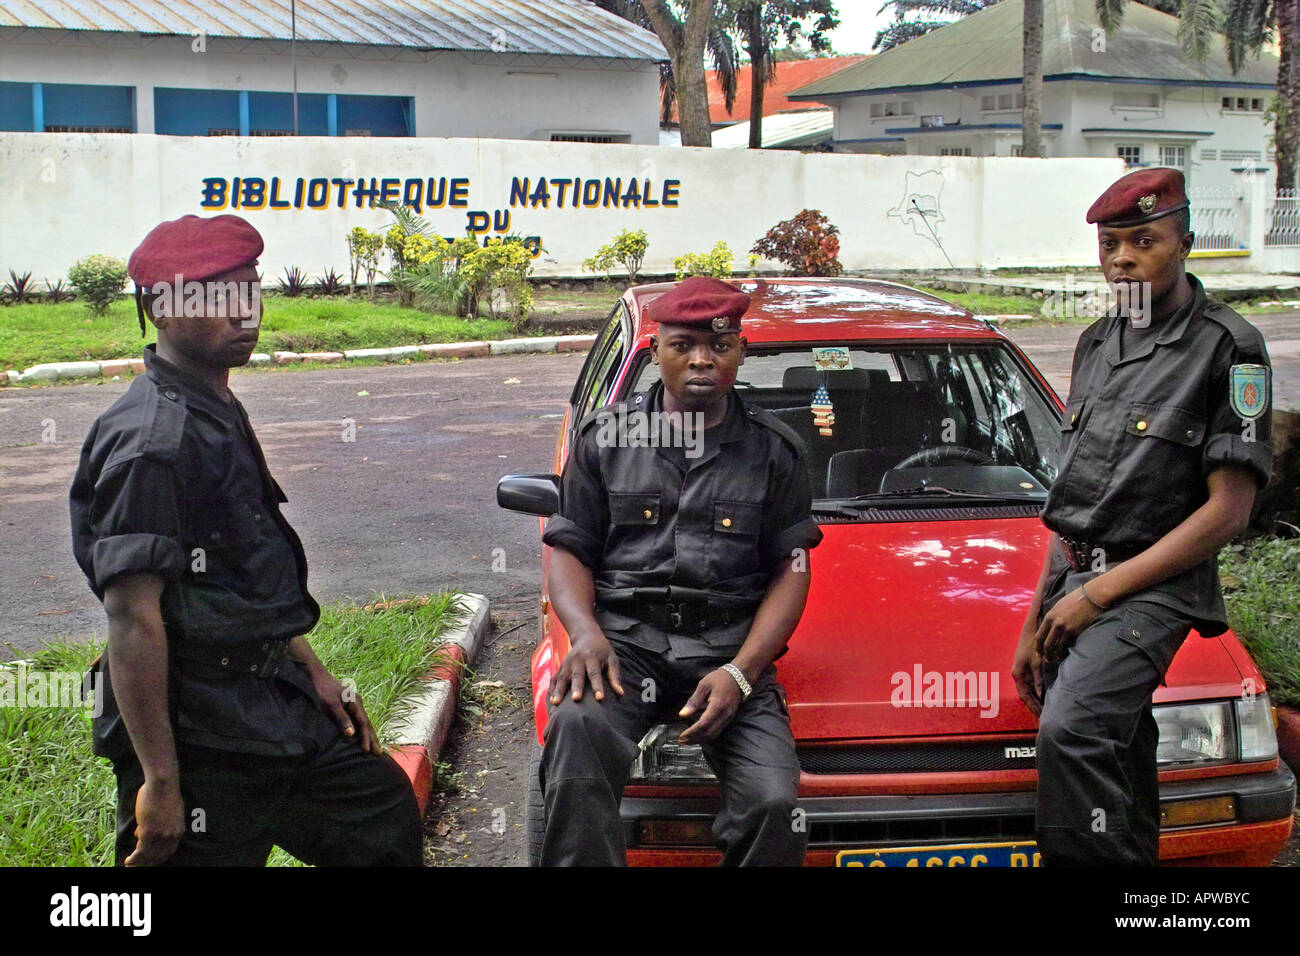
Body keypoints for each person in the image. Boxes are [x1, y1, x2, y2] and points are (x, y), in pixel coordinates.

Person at [70, 214, 422, 866]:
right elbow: (132, 618)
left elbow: (244, 569)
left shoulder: (216, 405)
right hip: (196, 732)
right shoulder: (152, 441)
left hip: (268, 702)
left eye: (249, 289)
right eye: (212, 296)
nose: (242, 312)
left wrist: (315, 672)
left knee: (379, 813)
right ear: (158, 309)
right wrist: (161, 783)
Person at [1010, 168, 1273, 866]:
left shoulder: (1229, 347)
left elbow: (1229, 512)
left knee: (1071, 733)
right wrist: (1036, 617)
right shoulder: (1097, 342)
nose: (1122, 259)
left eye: (1144, 241)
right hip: (1079, 581)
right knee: (1120, 757)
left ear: (1184, 242)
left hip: (1155, 586)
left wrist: (1097, 595)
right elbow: (1073, 501)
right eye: (1110, 244)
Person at [538, 276, 823, 866]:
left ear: (741, 351)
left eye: (719, 344)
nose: (702, 359)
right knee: (574, 746)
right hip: (624, 646)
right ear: (657, 351)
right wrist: (585, 632)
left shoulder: (777, 451)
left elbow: (791, 569)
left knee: (773, 801)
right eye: (683, 344)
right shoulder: (605, 439)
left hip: (728, 647)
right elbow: (568, 545)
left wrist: (743, 673)